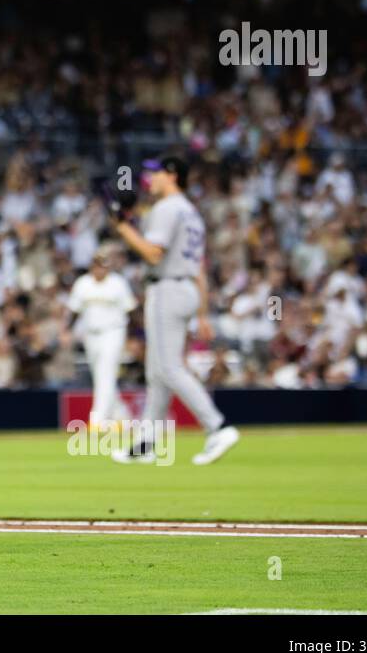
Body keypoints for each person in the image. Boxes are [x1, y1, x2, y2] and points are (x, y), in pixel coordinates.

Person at [107, 155, 240, 465]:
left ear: (172, 175)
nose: (149, 180)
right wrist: (203, 311)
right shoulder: (191, 212)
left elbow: (154, 254)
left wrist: (123, 227)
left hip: (167, 287)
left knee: (168, 368)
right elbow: (200, 270)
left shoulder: (167, 208)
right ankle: (145, 443)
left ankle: (217, 426)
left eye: (155, 174)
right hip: (187, 288)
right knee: (157, 371)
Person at [65, 245, 135, 429]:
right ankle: (123, 418)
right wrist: (67, 330)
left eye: (103, 266)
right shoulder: (83, 284)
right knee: (102, 376)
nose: (99, 270)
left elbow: (131, 310)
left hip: (113, 332)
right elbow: (74, 311)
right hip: (91, 334)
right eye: (97, 266)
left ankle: (98, 421)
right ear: (91, 267)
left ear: (108, 268)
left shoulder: (117, 283)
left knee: (105, 373)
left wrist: (135, 336)